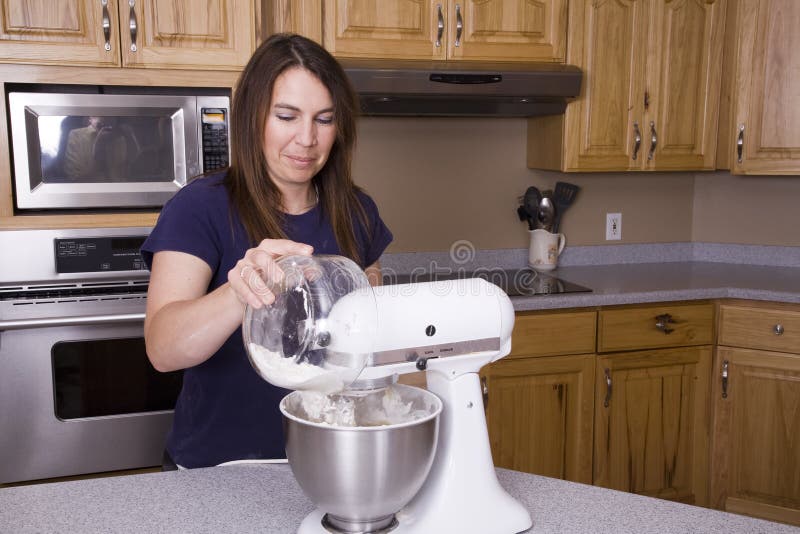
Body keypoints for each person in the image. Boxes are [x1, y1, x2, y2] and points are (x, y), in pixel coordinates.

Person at [140, 33, 393, 469]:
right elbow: (163, 349)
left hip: (333, 461)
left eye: (324, 119)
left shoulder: (357, 211)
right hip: (219, 468)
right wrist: (239, 293)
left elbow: (372, 327)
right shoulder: (200, 207)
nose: (307, 138)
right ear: (254, 116)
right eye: (287, 116)